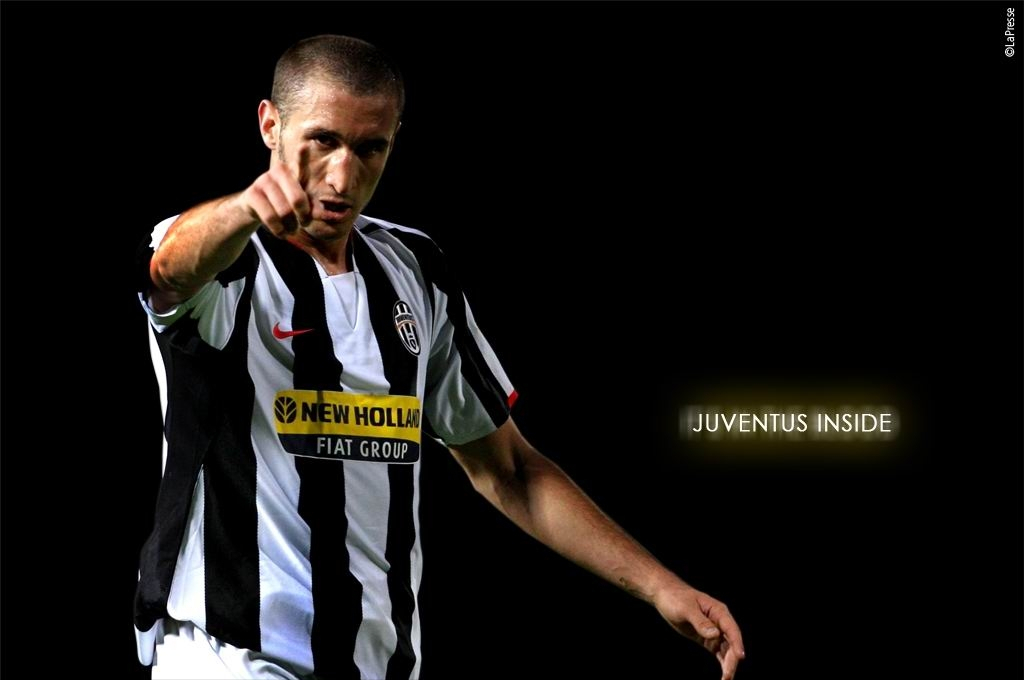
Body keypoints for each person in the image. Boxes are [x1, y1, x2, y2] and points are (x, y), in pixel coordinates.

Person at [134, 34, 745, 680]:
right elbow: (169, 269)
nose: (342, 177)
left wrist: (662, 587)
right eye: (322, 140)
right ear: (270, 125)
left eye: (369, 148)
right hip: (229, 657)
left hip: (383, 664)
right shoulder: (227, 261)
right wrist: (244, 208)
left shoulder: (415, 270)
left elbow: (509, 470)